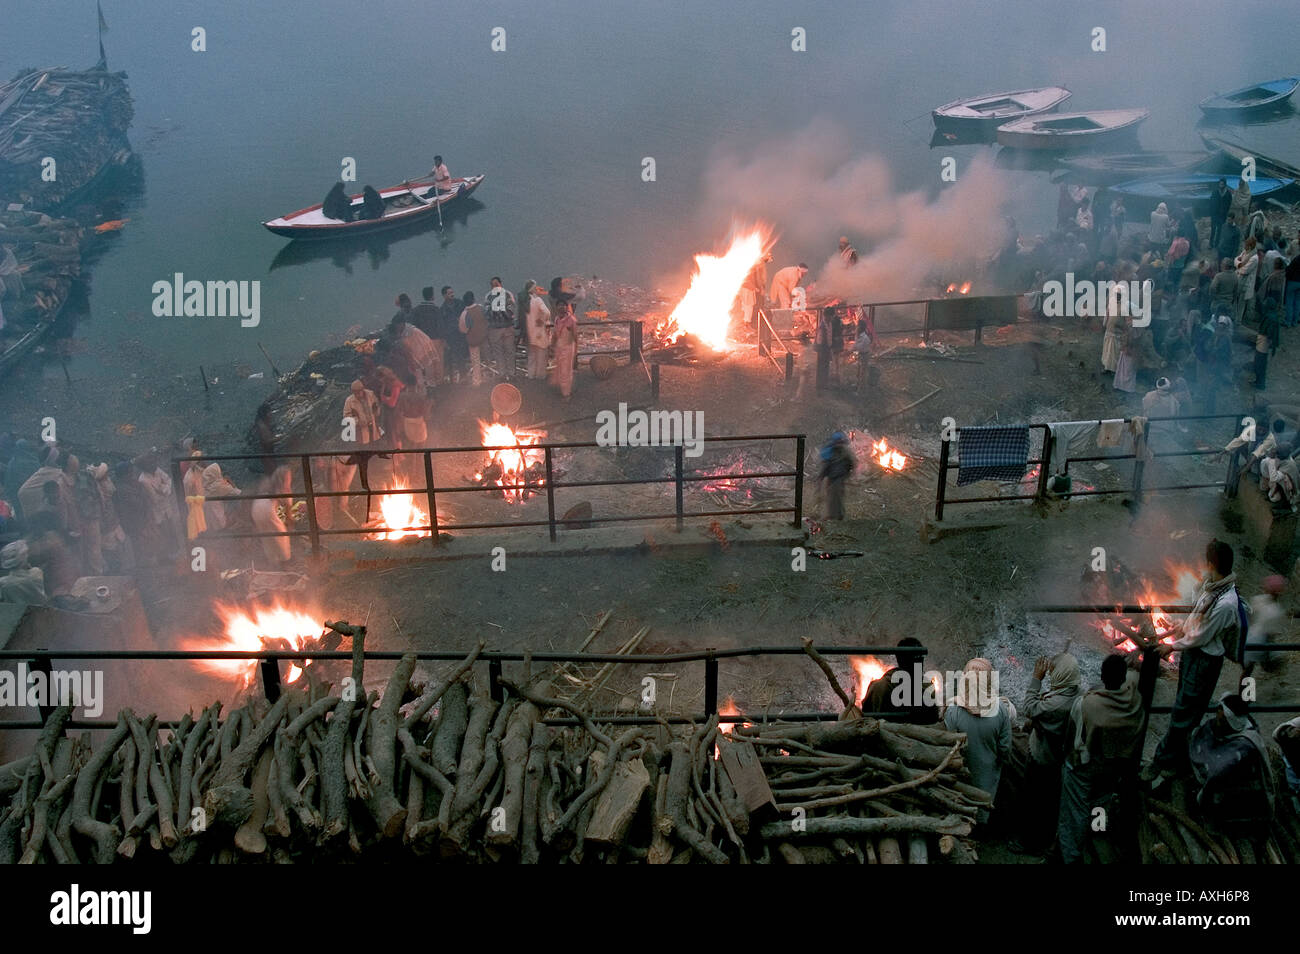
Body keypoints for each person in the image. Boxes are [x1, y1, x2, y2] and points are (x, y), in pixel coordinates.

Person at [1145, 539, 1240, 787]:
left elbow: (1202, 636)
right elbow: (1197, 621)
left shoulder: (1227, 603)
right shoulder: (1212, 588)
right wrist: (1178, 627)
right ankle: (1181, 759)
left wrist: (1173, 645)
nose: (1203, 565)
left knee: (1183, 714)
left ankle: (1163, 760)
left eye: (1206, 561)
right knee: (1186, 708)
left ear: (1213, 563)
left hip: (1204, 660)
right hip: (1194, 656)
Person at [1057, 653, 1146, 864]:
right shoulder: (1135, 699)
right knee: (1101, 802)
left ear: (1102, 676)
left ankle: (1072, 856)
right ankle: (1097, 835)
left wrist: (1067, 759)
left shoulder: (1086, 705)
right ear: (1124, 678)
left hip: (1085, 766)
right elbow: (1136, 675)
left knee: (1075, 811)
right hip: (1115, 764)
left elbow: (1072, 737)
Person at [1011, 652, 1081, 854]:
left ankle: (1030, 844)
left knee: (1034, 802)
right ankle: (1046, 838)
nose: (1051, 675)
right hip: (1059, 757)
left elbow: (1029, 708)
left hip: (1044, 758)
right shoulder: (1076, 692)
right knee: (1049, 802)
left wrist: (1036, 679)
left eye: (1054, 673)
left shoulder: (1056, 705)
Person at [1188, 694, 1274, 829]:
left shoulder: (1246, 744)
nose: (1217, 721)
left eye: (1222, 721)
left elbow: (1221, 768)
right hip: (1223, 773)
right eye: (1218, 715)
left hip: (1240, 789)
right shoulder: (1221, 722)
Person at [944, 659, 1012, 823]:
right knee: (983, 806)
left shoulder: (953, 710)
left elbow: (949, 747)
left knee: (962, 808)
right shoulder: (1000, 709)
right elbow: (1005, 748)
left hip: (961, 775)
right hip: (988, 774)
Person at [860, 637, 940, 723]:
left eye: (920, 658)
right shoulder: (881, 686)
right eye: (916, 658)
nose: (919, 661)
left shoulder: (879, 686)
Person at [250, 466, 293, 568]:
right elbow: (288, 513)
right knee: (281, 536)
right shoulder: (285, 489)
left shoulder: (269, 483)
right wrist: (290, 526)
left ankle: (273, 564)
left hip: (256, 508)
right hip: (267, 510)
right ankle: (285, 562)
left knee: (267, 536)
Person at [1243, 575, 1286, 675]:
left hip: (1251, 637)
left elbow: (1249, 618)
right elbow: (1270, 635)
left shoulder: (1257, 600)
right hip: (1261, 640)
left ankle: (1244, 689)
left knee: (1248, 670)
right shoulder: (1277, 610)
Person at [484, 277, 517, 380]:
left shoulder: (493, 296)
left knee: (508, 351)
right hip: (499, 328)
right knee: (501, 352)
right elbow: (486, 312)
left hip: (503, 328)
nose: (495, 286)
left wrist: (498, 310)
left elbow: (511, 309)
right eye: (493, 285)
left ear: (500, 284)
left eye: (496, 284)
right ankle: (503, 374)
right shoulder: (492, 296)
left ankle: (510, 374)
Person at [411, 287, 446, 383]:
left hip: (422, 341)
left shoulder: (416, 310)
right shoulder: (436, 309)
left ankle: (431, 383)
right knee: (438, 361)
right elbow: (440, 326)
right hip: (436, 339)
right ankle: (439, 382)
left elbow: (414, 327)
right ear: (432, 296)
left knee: (428, 363)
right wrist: (443, 339)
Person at [817, 431, 855, 520]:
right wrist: (821, 477)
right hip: (833, 476)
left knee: (836, 496)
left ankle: (837, 516)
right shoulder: (831, 451)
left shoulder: (844, 452)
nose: (839, 444)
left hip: (838, 477)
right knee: (831, 496)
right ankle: (833, 515)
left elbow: (851, 463)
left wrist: (848, 474)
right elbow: (826, 465)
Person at [550, 293, 578, 399]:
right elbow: (555, 334)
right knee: (560, 368)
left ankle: (566, 393)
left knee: (566, 370)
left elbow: (575, 337)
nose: (561, 307)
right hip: (559, 347)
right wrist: (552, 346)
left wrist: (576, 352)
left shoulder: (572, 320)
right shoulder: (557, 319)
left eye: (563, 305)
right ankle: (563, 389)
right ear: (556, 307)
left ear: (566, 307)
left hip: (568, 348)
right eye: (559, 305)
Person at [0, 539, 46, 604]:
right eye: (26, 553)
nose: (28, 555)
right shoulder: (36, 573)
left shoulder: (3, 583)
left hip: (13, 613)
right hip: (38, 613)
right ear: (22, 557)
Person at [457, 291, 488, 387]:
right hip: (484, 337)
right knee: (488, 359)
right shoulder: (482, 308)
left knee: (475, 361)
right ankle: (490, 378)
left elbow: (463, 329)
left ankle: (477, 381)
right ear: (473, 298)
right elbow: (488, 320)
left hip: (472, 340)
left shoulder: (465, 313)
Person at [523, 280, 551, 380]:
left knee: (531, 357)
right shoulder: (537, 300)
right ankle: (540, 376)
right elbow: (547, 312)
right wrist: (542, 320)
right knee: (541, 356)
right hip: (539, 333)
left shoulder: (524, 303)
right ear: (533, 289)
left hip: (528, 334)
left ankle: (531, 375)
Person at [438, 286, 466, 382]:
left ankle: (463, 377)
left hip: (461, 335)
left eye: (452, 292)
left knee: (461, 357)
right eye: (449, 293)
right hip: (450, 337)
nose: (452, 294)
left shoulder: (460, 304)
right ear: (444, 295)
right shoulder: (442, 310)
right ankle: (450, 379)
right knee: (449, 358)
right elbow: (442, 325)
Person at [343, 379, 381, 447]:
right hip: (361, 430)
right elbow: (346, 416)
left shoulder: (370, 394)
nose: (357, 395)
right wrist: (357, 421)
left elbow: (377, 405)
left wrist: (376, 412)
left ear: (362, 390)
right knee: (364, 446)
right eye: (355, 393)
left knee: (375, 445)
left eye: (358, 392)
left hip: (373, 426)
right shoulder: (349, 401)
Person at [1209, 179, 1231, 249]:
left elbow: (1228, 204)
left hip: (1222, 215)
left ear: (1225, 185)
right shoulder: (1215, 192)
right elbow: (1211, 202)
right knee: (1213, 229)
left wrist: (1225, 212)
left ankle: (1216, 244)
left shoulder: (1228, 193)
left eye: (1222, 184)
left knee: (1219, 230)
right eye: (1220, 184)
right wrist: (1212, 212)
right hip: (1214, 214)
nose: (1221, 185)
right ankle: (1211, 244)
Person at [1285, 232, 1300, 328]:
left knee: (1289, 301)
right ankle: (1295, 321)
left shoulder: (1294, 243)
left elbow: (1287, 252)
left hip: (1293, 277)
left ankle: (1288, 321)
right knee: (1298, 301)